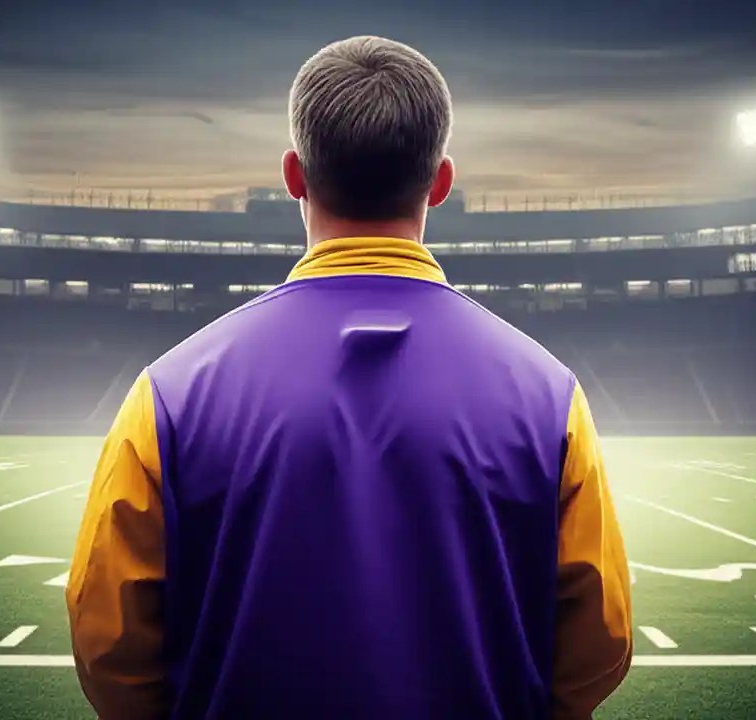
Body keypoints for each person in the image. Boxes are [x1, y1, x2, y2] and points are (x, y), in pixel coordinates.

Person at [67, 34, 632, 720]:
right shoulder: (550, 396)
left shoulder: (168, 393)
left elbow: (109, 645)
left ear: (294, 177)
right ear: (441, 181)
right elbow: (599, 642)